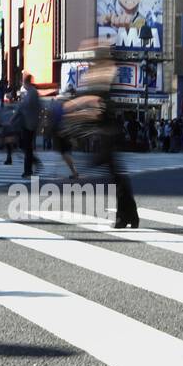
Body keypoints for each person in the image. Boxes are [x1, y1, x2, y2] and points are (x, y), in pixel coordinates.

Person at [66, 42, 139, 229]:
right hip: (107, 130)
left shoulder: (103, 73)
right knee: (117, 175)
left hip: (108, 131)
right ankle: (129, 214)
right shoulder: (103, 73)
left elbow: (96, 103)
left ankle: (125, 216)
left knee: (116, 176)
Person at [47, 93, 79, 179]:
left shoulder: (59, 108)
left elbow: (56, 120)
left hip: (61, 132)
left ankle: (74, 172)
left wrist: (54, 130)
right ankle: (73, 171)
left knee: (64, 152)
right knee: (64, 152)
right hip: (65, 131)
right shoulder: (67, 108)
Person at [18, 74, 42, 179]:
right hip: (28, 124)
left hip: (30, 125)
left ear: (26, 82)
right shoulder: (30, 93)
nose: (23, 84)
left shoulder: (33, 93)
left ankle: (28, 171)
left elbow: (28, 108)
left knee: (27, 148)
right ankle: (30, 168)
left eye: (23, 82)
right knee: (26, 147)